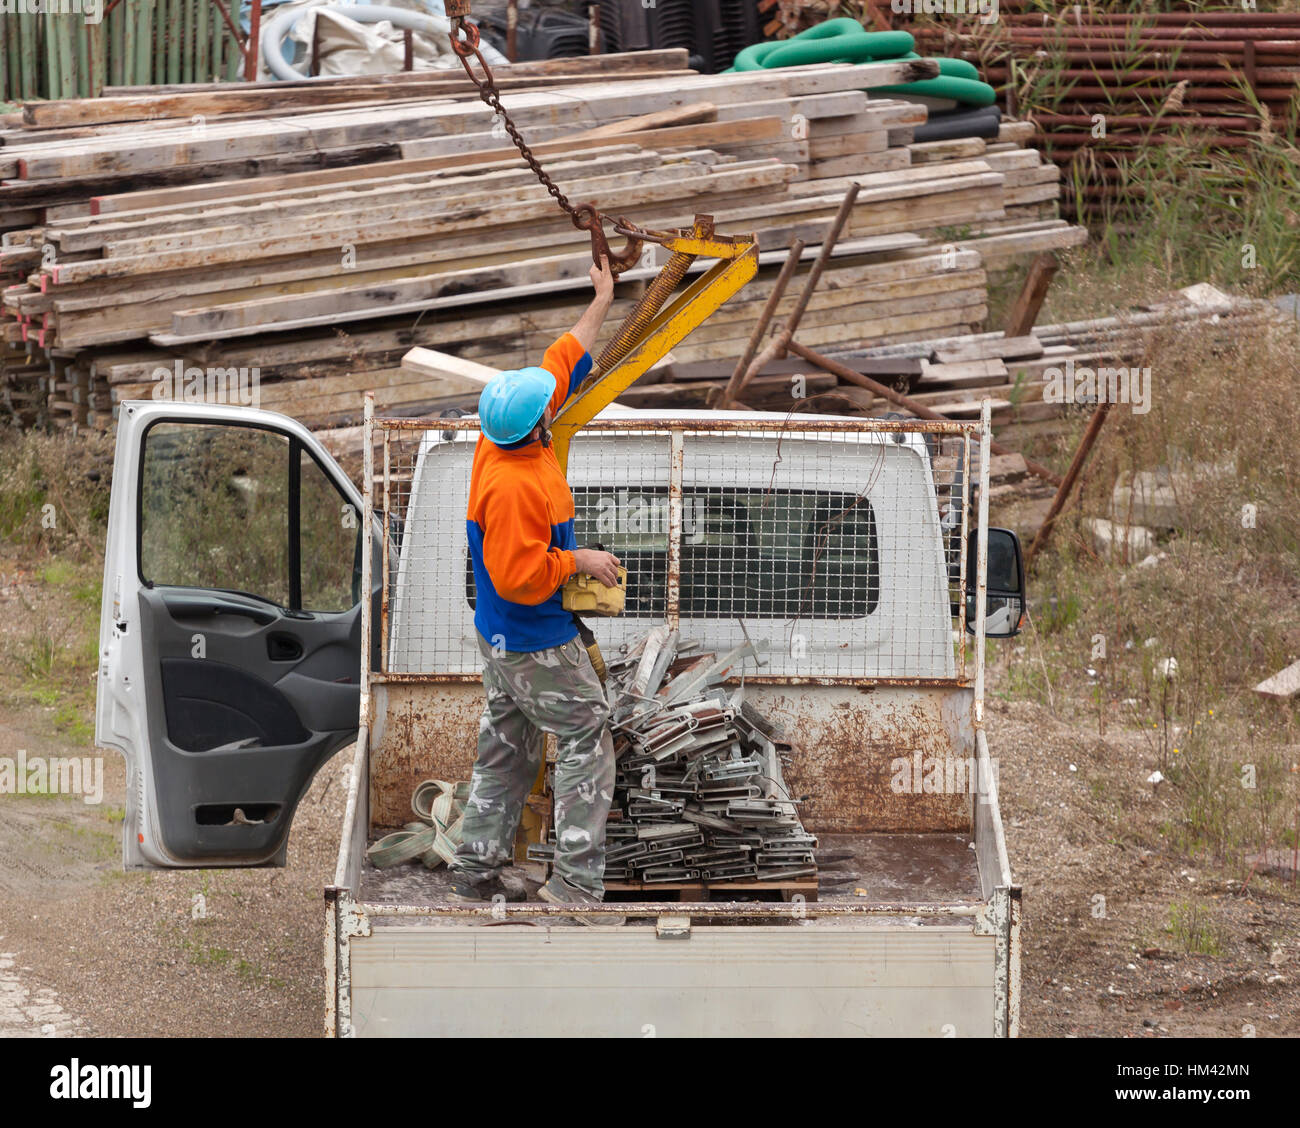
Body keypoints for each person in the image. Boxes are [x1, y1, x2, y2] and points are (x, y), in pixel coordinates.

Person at [448, 256, 624, 925]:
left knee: (506, 742)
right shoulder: (516, 484)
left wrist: (602, 296)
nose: (554, 400)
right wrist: (577, 558)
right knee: (585, 734)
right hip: (531, 638)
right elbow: (519, 579)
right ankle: (575, 885)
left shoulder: (502, 432)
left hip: (498, 642)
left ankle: (477, 866)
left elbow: (563, 356)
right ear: (540, 427)